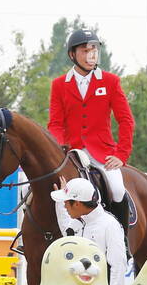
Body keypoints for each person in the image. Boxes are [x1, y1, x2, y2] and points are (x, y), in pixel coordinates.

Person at [47, 28, 135, 229]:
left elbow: (126, 120)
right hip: (70, 151)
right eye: (85, 51)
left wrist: (121, 154)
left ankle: (122, 240)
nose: (91, 55)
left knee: (117, 189)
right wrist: (60, 148)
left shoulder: (110, 82)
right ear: (72, 54)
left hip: (102, 152)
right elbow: (55, 124)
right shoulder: (59, 85)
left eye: (94, 50)